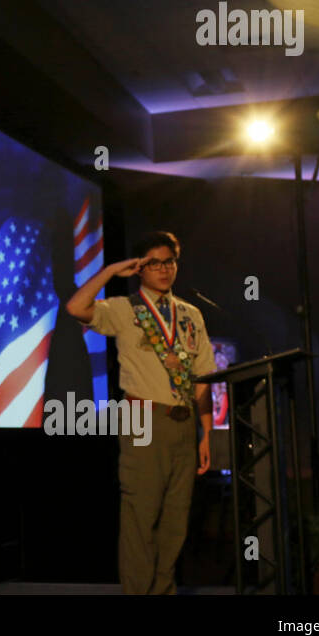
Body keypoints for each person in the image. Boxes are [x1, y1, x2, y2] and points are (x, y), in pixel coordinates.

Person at [64, 230, 215, 595]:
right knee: (141, 517)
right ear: (140, 268)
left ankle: (163, 591)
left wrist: (206, 432)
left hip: (183, 422)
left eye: (169, 262)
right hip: (141, 418)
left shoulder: (191, 314)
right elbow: (75, 308)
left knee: (175, 520)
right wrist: (111, 271)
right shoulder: (123, 308)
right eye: (153, 263)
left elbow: (204, 378)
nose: (163, 270)